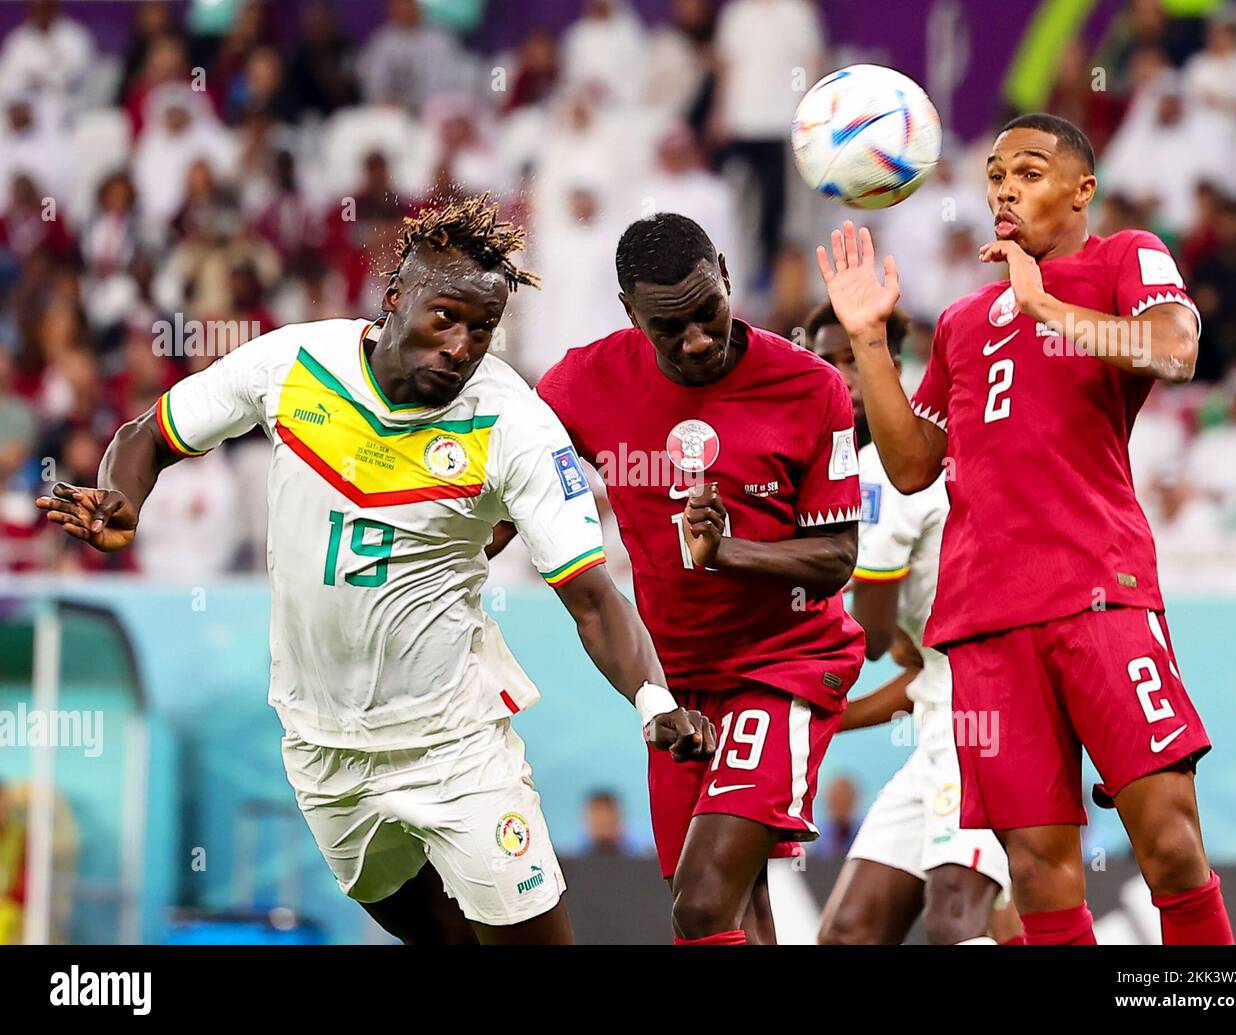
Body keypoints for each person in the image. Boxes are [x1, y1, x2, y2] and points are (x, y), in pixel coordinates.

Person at [37, 194, 713, 946]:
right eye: (445, 317)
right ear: (395, 299)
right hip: (320, 743)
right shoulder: (294, 365)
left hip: (454, 744)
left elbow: (592, 596)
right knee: (432, 934)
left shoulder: (515, 426)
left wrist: (655, 700)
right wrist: (122, 496)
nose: (461, 346)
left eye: (482, 330)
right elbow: (149, 433)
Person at [816, 113, 1233, 945]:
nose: (1007, 188)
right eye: (997, 176)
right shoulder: (966, 322)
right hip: (985, 620)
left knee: (1171, 841)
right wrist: (868, 343)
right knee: (1039, 870)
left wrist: (1044, 303)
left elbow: (1174, 349)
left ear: (1083, 190)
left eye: (1030, 172)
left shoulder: (1125, 255)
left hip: (1098, 591)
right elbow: (910, 465)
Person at [499, 211, 865, 945]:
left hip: (784, 667)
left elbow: (836, 559)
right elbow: (507, 500)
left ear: (727, 274)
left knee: (700, 902)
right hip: (674, 685)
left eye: (709, 311)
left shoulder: (811, 386)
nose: (699, 338)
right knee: (729, 915)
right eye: (672, 328)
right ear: (632, 316)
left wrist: (727, 551)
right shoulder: (580, 384)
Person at [806, 300, 1012, 945]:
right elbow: (922, 674)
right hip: (945, 720)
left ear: (889, 365)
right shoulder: (900, 457)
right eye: (825, 363)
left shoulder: (885, 470)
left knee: (957, 920)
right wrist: (828, 717)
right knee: (849, 933)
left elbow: (866, 642)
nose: (841, 378)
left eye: (854, 359)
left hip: (989, 721)